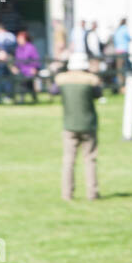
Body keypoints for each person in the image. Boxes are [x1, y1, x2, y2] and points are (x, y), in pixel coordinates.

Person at [56, 53, 102, 201]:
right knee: (90, 159)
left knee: (68, 161)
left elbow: (52, 90)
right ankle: (92, 193)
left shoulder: (62, 80)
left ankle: (67, 194)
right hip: (88, 124)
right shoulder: (90, 81)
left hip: (69, 125)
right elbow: (98, 94)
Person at [14, 29, 40, 100]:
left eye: (20, 38)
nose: (18, 40)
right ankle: (21, 99)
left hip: (30, 70)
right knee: (20, 79)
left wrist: (34, 68)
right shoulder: (18, 49)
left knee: (28, 81)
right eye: (18, 38)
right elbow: (17, 61)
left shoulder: (31, 47)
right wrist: (15, 68)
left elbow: (36, 59)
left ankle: (31, 98)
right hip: (21, 70)